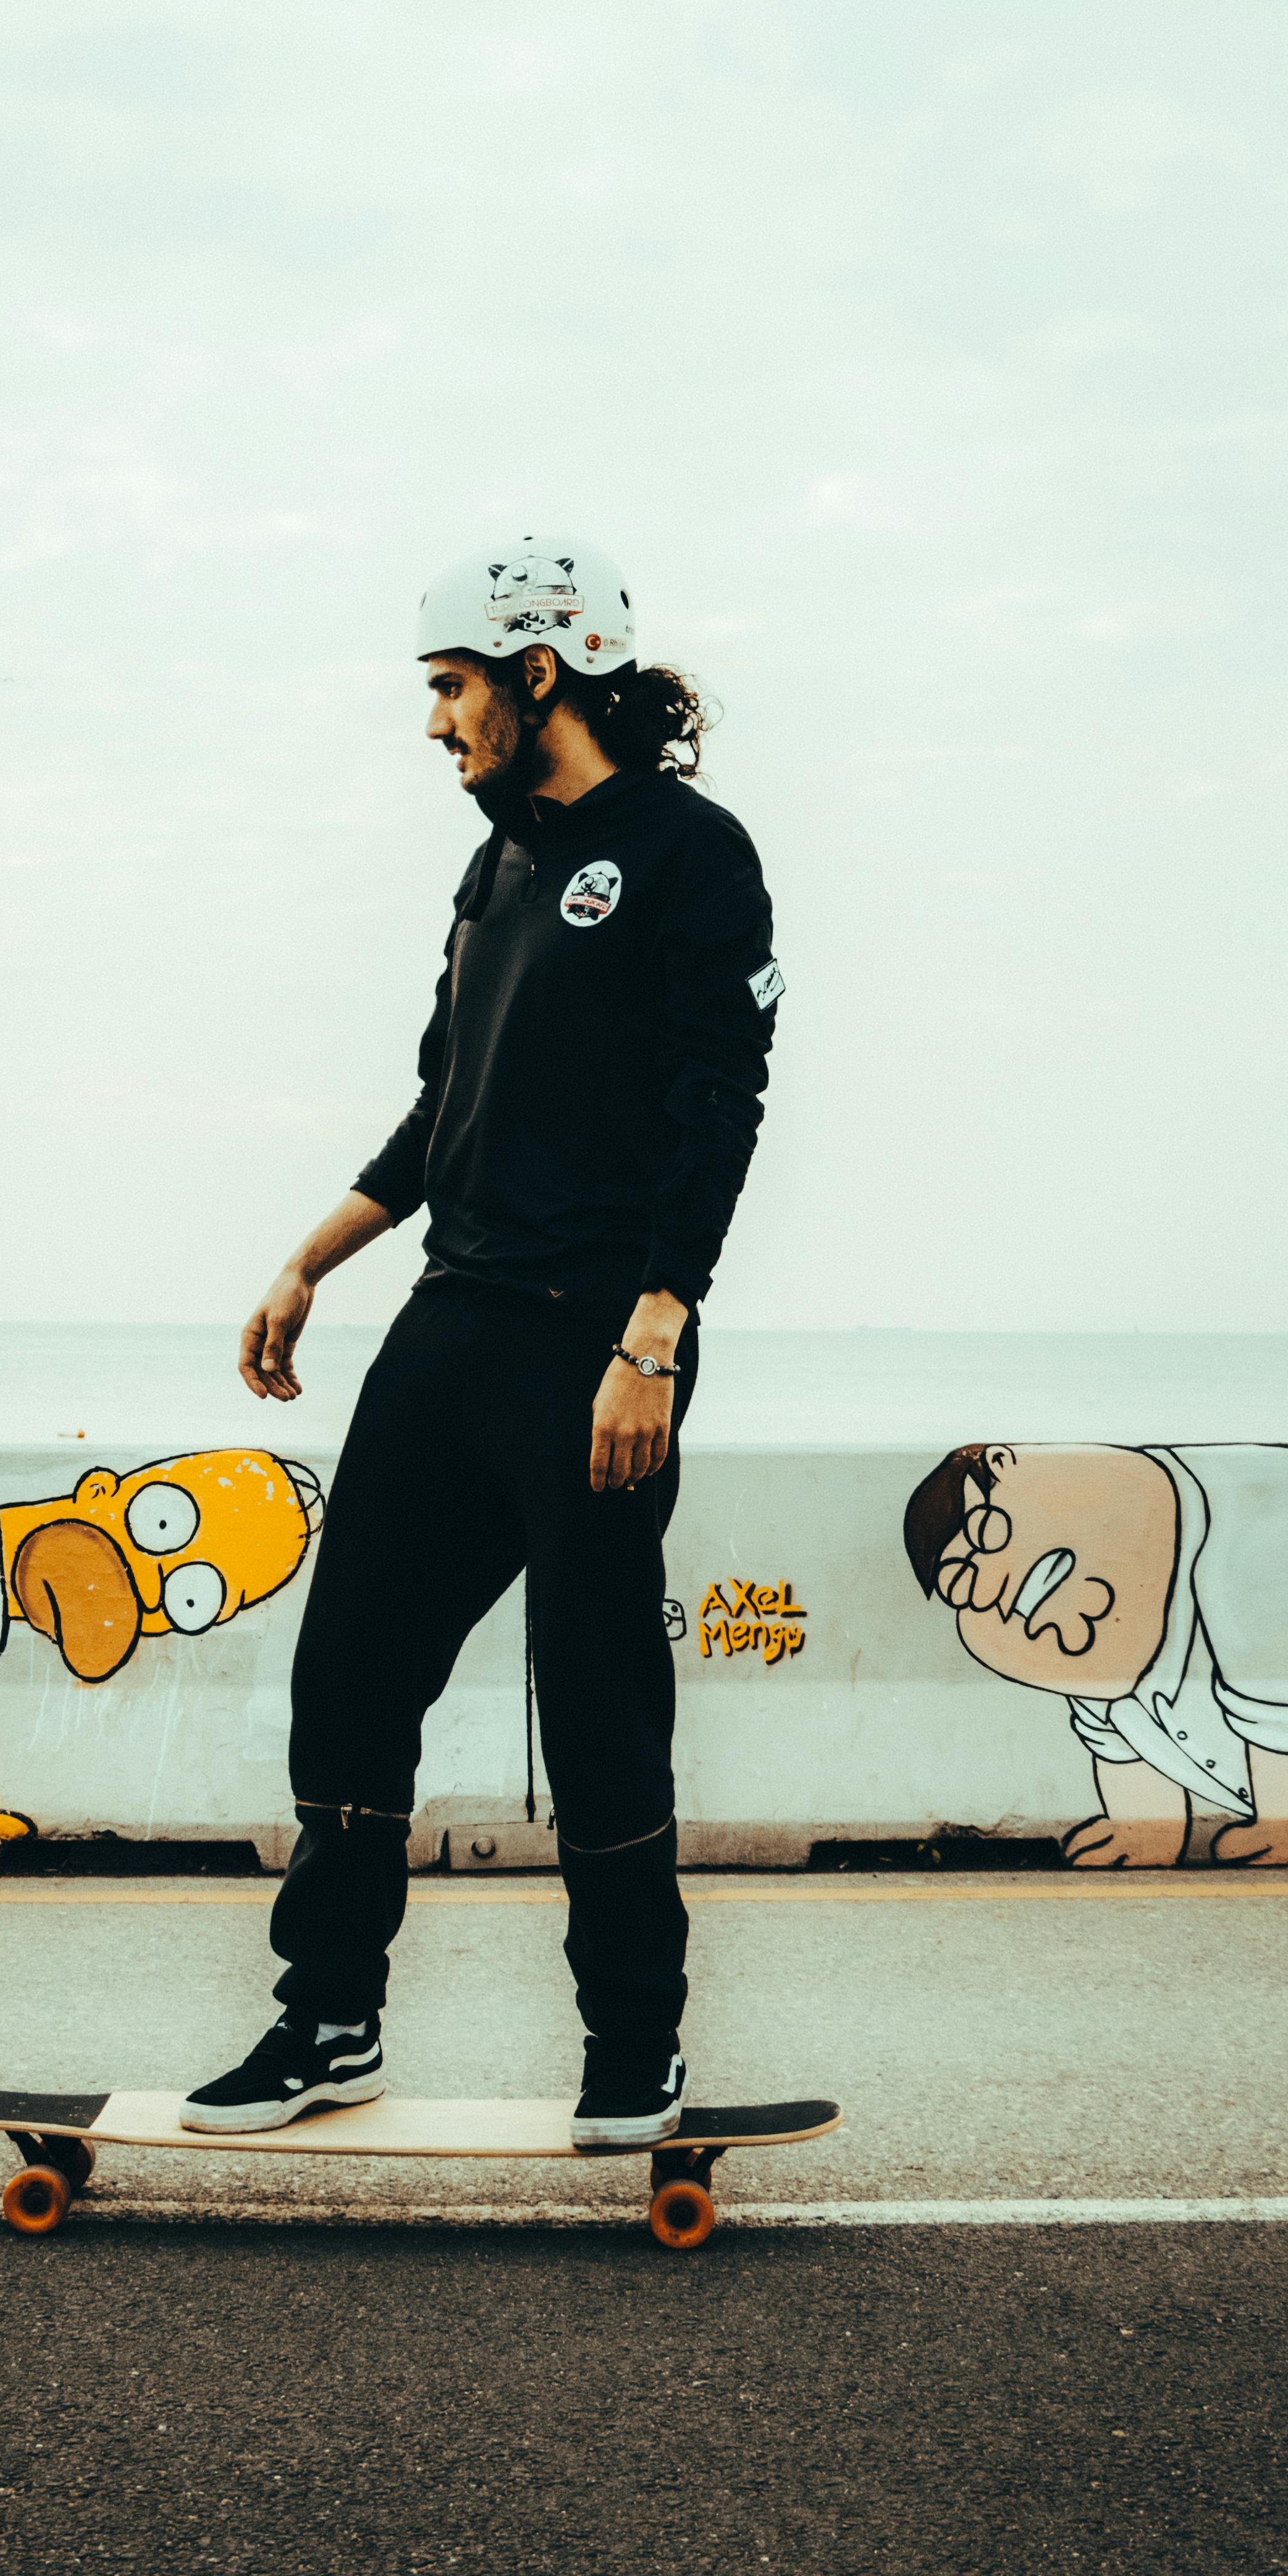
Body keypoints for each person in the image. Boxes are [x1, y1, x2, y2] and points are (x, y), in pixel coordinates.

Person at [184, 535, 782, 2147]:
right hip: (452, 1319)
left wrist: (659, 1331)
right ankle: (326, 2019)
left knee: (594, 1694)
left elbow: (716, 1105)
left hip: (598, 1337)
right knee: (352, 1667)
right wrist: (313, 1259)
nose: (434, 723)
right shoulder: (498, 863)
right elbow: (449, 1094)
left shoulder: (687, 854)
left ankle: (634, 2044)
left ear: (538, 674)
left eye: (449, 688)